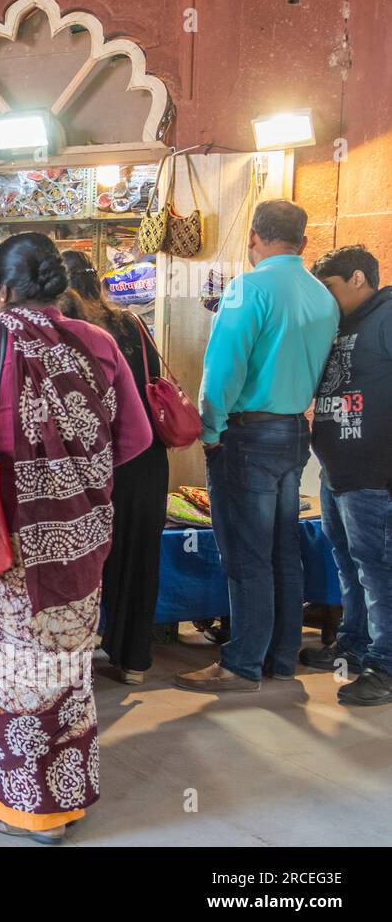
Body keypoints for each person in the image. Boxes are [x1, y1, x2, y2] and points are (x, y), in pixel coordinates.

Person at [0, 232, 152, 843]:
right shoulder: (99, 341)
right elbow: (136, 439)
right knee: (66, 671)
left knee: (9, 672)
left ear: (1, 288)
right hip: (83, 537)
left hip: (5, 543)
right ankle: (62, 795)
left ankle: (25, 806)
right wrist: (77, 473)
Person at [177, 201, 339, 693]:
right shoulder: (322, 296)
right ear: (304, 243)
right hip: (294, 431)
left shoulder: (248, 288)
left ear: (253, 237)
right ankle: (280, 657)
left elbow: (223, 370)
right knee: (281, 551)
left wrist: (210, 430)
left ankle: (242, 664)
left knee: (246, 554)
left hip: (247, 435)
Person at [61, 250, 169, 685]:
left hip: (95, 462)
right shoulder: (132, 324)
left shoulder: (70, 333)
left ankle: (74, 661)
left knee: (80, 564)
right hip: (145, 458)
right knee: (138, 559)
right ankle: (133, 661)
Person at [303, 245, 392, 705]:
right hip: (338, 471)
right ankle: (354, 646)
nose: (325, 298)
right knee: (348, 565)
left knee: (380, 574)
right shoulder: (340, 324)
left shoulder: (387, 315)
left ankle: (387, 665)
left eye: (331, 288)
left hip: (376, 475)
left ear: (358, 278)